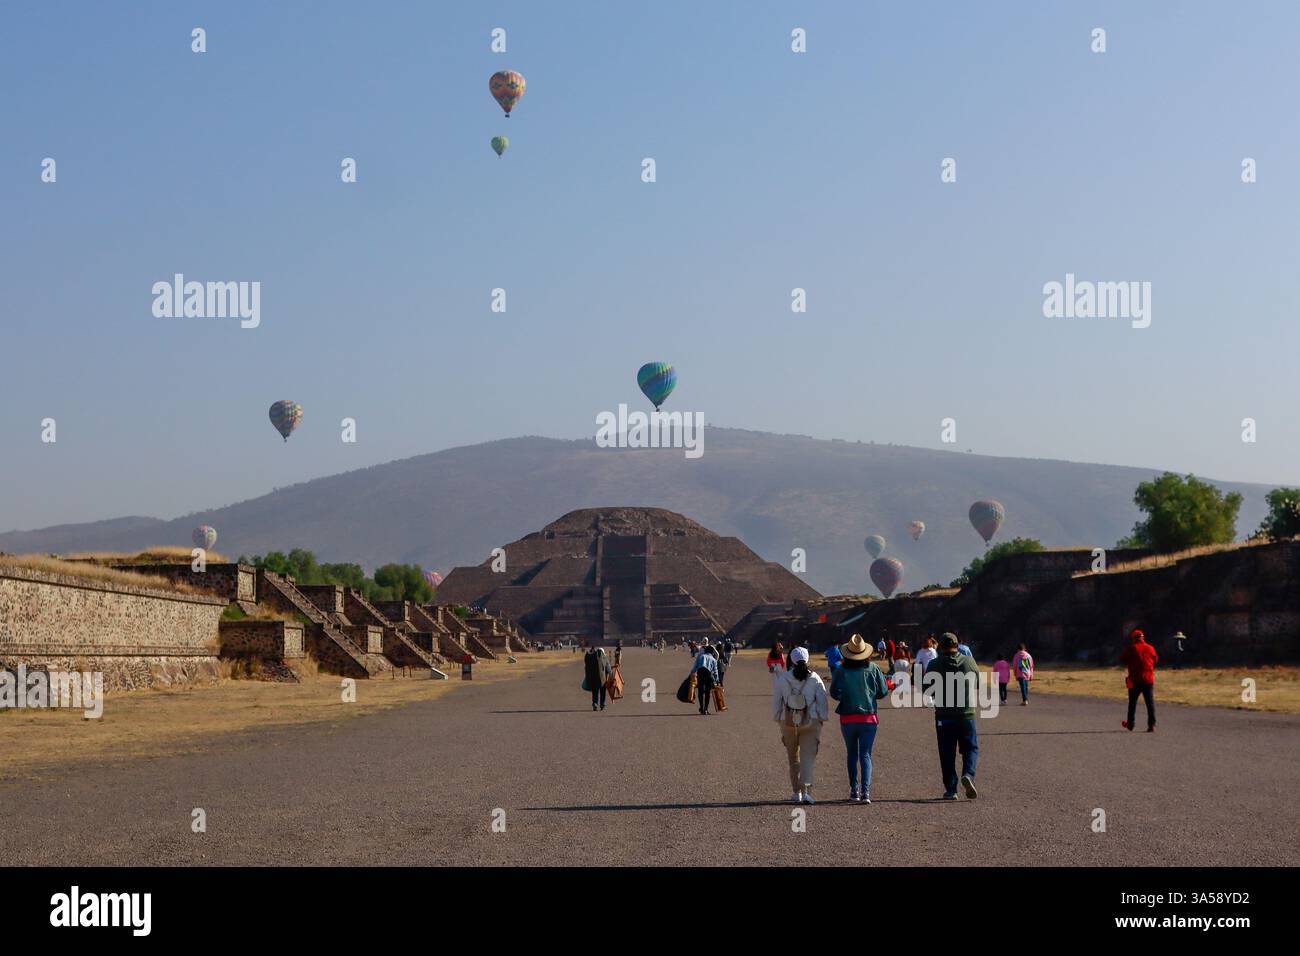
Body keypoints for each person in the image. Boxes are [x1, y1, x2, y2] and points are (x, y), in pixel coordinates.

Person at [829, 634, 892, 803]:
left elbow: (834, 692)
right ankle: (866, 792)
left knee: (851, 754)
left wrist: (845, 695)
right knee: (865, 755)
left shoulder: (841, 670)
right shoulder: (873, 668)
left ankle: (854, 791)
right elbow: (883, 692)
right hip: (868, 718)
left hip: (848, 718)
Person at [926, 633, 979, 800]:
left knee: (947, 752)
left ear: (940, 647)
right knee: (970, 748)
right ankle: (968, 775)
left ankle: (951, 789)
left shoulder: (934, 664)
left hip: (944, 716)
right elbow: (977, 682)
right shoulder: (969, 661)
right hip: (966, 715)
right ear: (957, 645)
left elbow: (927, 689)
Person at [772, 647, 829, 803]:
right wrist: (822, 717)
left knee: (793, 758)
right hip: (811, 721)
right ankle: (807, 793)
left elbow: (777, 703)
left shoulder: (783, 679)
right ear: (807, 659)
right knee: (808, 758)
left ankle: (796, 792)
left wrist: (779, 720)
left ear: (792, 660)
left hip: (788, 721)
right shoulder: (815, 678)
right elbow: (822, 701)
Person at [1121, 629, 1159, 732]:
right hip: (1148, 679)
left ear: (1133, 639)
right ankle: (1152, 725)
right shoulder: (1150, 648)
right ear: (1143, 637)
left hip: (1135, 679)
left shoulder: (1132, 648)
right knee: (1150, 703)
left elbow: (1123, 659)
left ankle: (1130, 724)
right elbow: (1156, 660)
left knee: (1132, 703)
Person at [691, 643, 721, 715]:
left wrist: (692, 675)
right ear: (712, 652)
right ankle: (706, 709)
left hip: (700, 673)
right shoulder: (713, 659)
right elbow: (715, 671)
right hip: (708, 675)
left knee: (700, 692)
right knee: (707, 693)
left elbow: (695, 667)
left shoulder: (700, 656)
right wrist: (717, 680)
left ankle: (701, 708)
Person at [584, 645, 612, 711]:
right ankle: (602, 704)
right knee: (602, 692)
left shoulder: (592, 658)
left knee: (595, 692)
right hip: (603, 679)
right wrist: (611, 674)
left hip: (593, 678)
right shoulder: (603, 657)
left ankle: (595, 704)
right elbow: (608, 668)